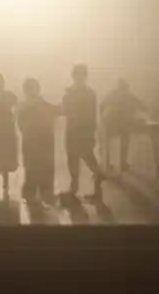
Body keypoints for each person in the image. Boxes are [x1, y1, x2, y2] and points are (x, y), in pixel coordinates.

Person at [62, 63, 107, 202]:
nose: (77, 78)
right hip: (80, 129)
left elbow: (67, 110)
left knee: (80, 158)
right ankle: (90, 185)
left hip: (78, 129)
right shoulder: (87, 93)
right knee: (81, 157)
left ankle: (78, 186)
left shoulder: (76, 93)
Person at [17, 77, 59, 206]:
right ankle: (45, 195)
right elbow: (54, 114)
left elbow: (21, 125)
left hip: (33, 141)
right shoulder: (43, 105)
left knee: (32, 168)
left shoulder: (23, 107)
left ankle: (32, 194)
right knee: (41, 167)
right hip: (41, 141)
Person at [100, 78, 146, 172]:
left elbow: (102, 105)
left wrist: (102, 117)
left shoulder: (112, 94)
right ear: (126, 87)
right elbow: (143, 107)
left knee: (108, 143)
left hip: (111, 123)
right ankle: (123, 163)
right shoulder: (129, 95)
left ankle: (108, 163)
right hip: (124, 123)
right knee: (124, 142)